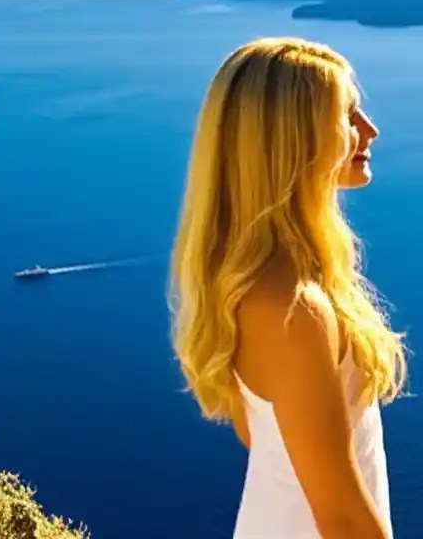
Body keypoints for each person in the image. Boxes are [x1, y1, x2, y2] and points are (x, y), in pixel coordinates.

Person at [169, 37, 407, 538]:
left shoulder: (258, 282)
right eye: (348, 116)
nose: (370, 131)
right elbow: (342, 520)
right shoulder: (293, 307)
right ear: (295, 137)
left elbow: (262, 435)